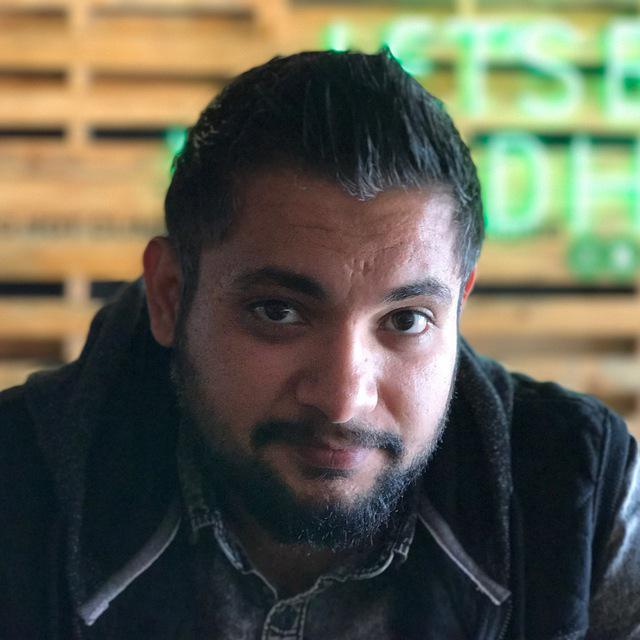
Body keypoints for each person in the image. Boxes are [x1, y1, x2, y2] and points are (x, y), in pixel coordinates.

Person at [1, 50, 638, 640]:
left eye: (406, 320)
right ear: (170, 296)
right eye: (279, 312)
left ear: (458, 306)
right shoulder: (16, 489)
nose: (341, 398)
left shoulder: (582, 499)